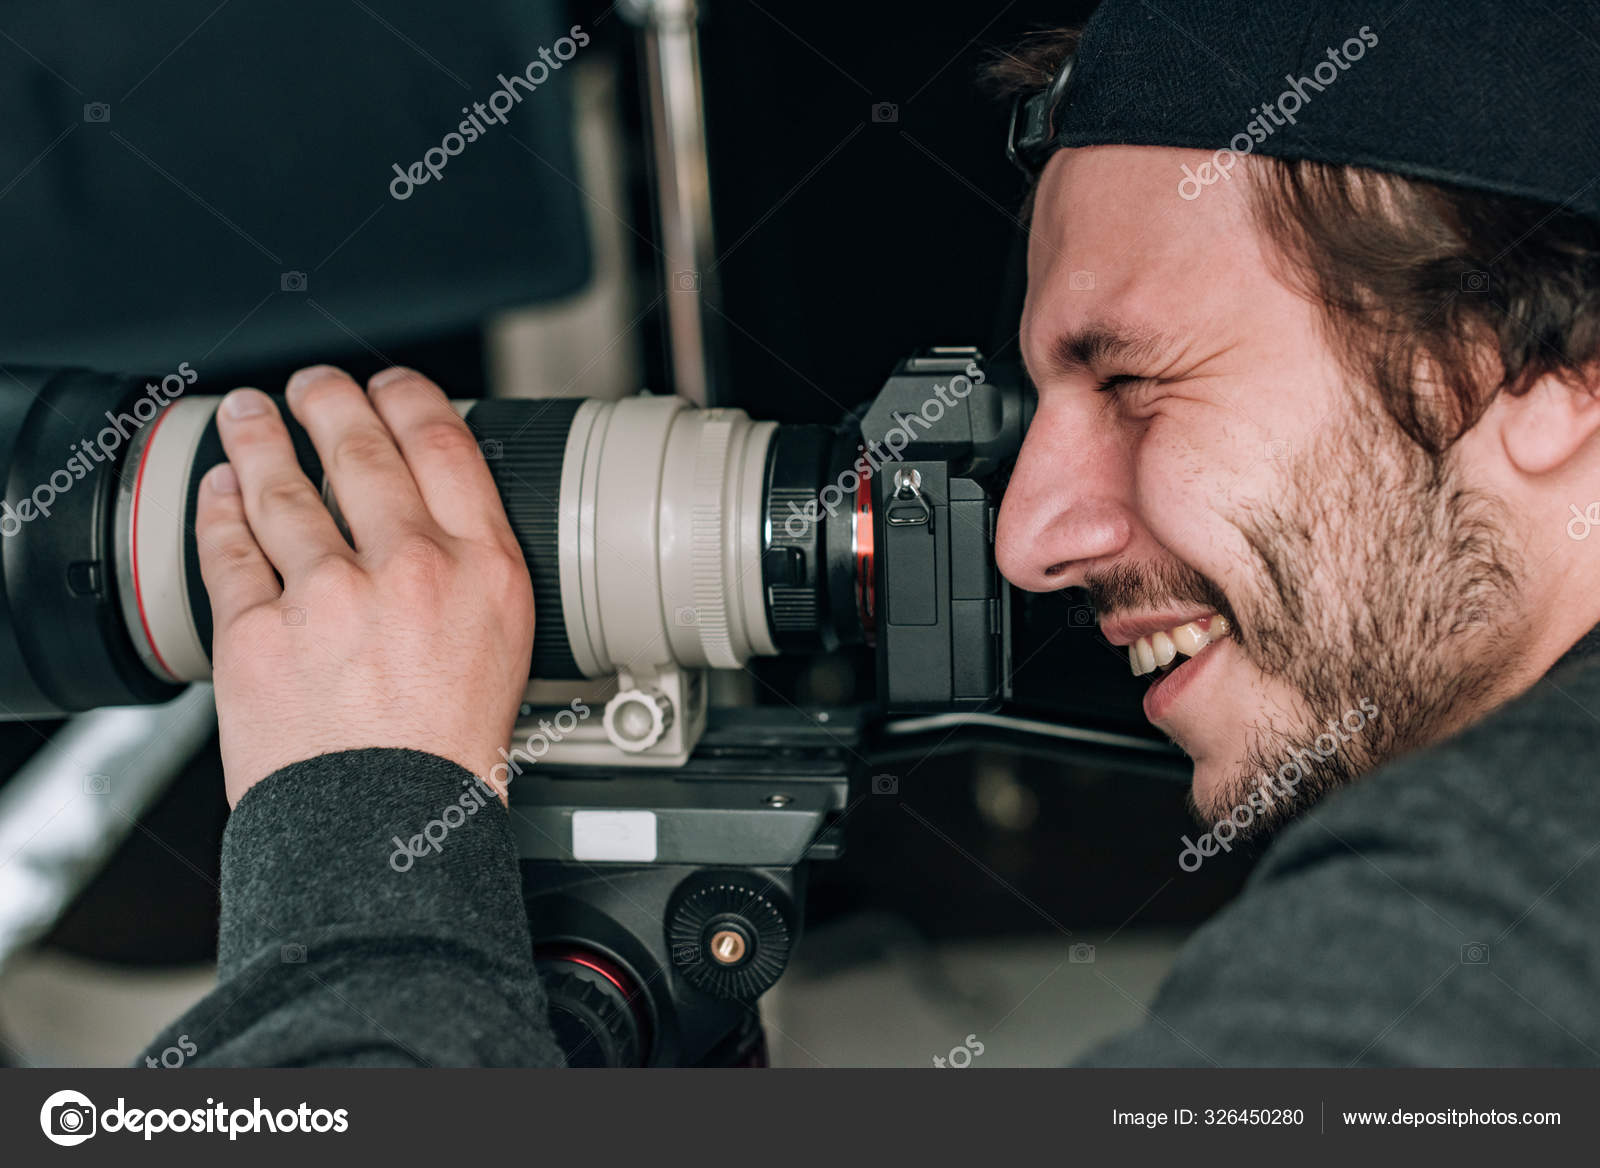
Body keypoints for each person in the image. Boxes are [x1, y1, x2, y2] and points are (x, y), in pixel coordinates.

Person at [141, 0, 1600, 1066]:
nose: (1028, 538)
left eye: (1135, 386)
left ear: (1543, 377)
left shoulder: (1495, 910)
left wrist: (362, 833)